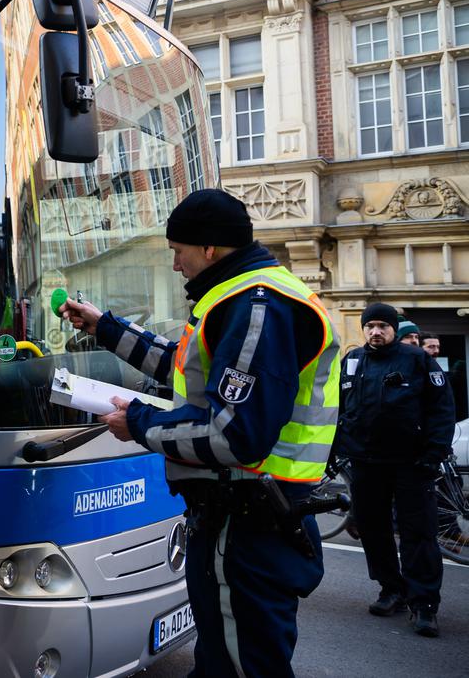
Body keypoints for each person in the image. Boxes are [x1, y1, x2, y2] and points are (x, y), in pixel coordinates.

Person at [60, 189, 340, 678]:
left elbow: (234, 437)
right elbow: (181, 366)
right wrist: (104, 326)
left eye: (177, 251)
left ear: (209, 248)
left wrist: (139, 422)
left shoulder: (257, 306)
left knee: (241, 666)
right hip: (241, 520)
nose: (174, 264)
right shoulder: (240, 297)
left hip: (250, 522)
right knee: (221, 661)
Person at [335, 302, 455, 637]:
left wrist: (433, 453)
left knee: (418, 534)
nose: (375, 331)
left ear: (393, 328)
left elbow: (442, 409)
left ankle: (424, 605)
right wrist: (334, 448)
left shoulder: (417, 360)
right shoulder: (353, 360)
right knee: (373, 530)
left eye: (382, 326)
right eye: (370, 326)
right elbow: (339, 407)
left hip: (411, 464)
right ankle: (392, 589)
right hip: (365, 463)